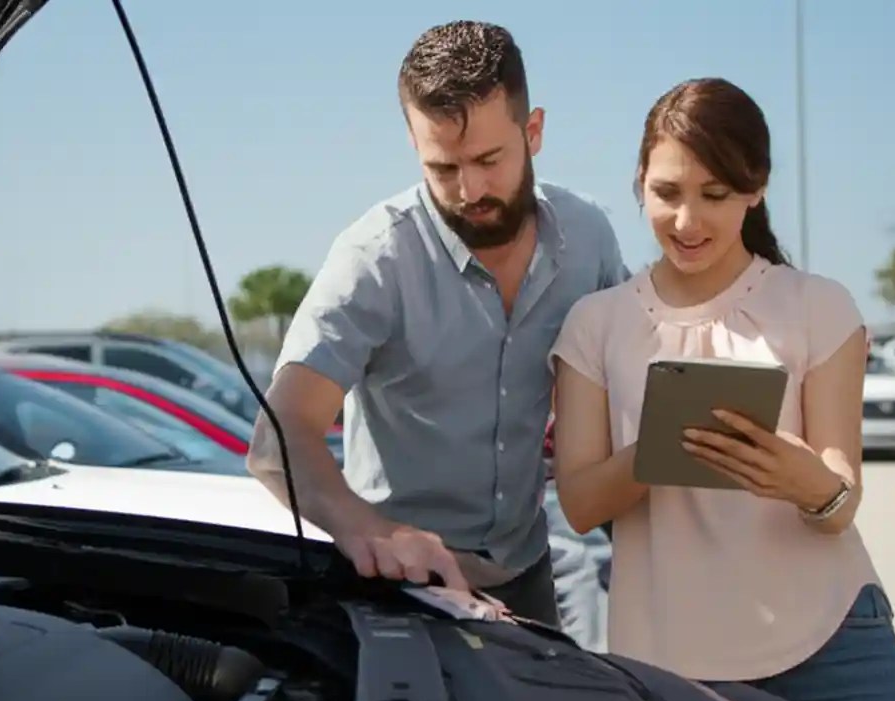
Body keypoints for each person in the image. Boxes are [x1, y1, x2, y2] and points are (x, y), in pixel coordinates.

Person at [245, 20, 629, 631]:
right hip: (398, 586)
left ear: (534, 133)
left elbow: (635, 386)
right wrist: (371, 531)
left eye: (488, 160)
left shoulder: (589, 238)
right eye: (442, 168)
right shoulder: (374, 257)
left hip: (528, 575)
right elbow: (277, 440)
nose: (469, 190)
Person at [548, 76, 895, 701]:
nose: (686, 221)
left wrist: (805, 482)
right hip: (672, 673)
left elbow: (839, 503)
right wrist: (661, 447)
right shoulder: (595, 324)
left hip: (834, 652)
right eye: (665, 193)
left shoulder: (817, 306)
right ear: (639, 181)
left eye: (714, 195)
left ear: (756, 187)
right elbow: (578, 506)